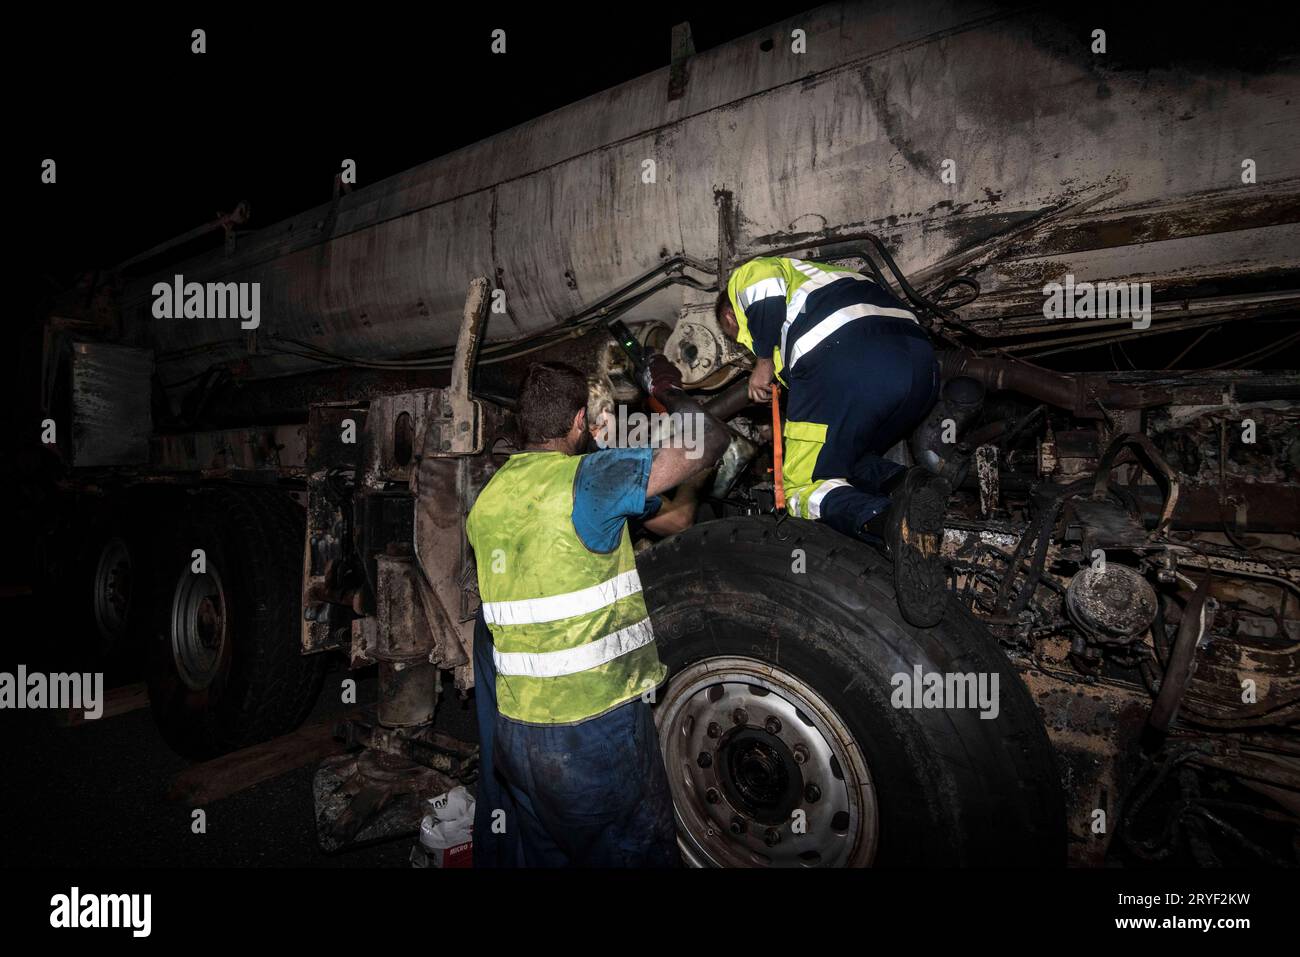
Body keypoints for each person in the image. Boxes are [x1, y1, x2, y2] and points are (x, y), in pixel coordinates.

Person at [466, 359, 728, 866]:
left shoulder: (489, 497)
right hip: (593, 734)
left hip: (518, 737)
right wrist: (667, 391)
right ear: (580, 420)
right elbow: (709, 439)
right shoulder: (591, 478)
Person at [716, 255, 949, 627]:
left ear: (729, 318)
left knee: (800, 487)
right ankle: (909, 484)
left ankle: (889, 521)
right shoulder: (829, 278)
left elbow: (763, 285)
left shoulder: (746, 277)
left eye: (734, 335)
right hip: (920, 367)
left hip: (843, 356)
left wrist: (762, 362)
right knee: (845, 463)